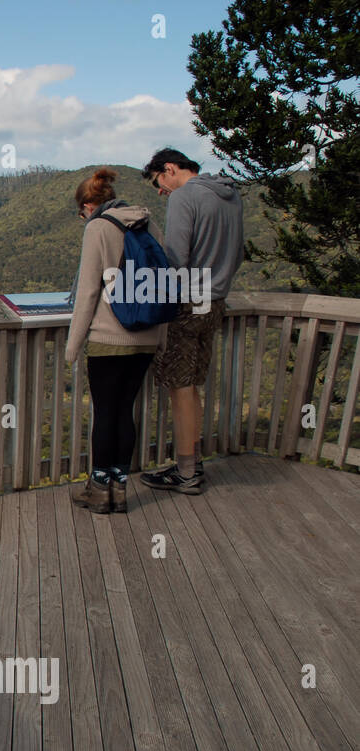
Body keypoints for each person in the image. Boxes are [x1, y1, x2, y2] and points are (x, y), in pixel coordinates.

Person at [138, 147, 244, 493]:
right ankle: (190, 464)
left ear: (170, 169)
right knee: (192, 386)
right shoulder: (230, 196)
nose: (160, 191)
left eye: (158, 182)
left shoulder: (184, 197)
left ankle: (187, 474)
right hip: (215, 301)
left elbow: (176, 258)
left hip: (187, 302)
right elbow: (237, 250)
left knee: (180, 388)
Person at [65, 167, 165, 514]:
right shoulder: (147, 223)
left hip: (109, 336)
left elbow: (90, 290)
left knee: (105, 413)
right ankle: (119, 491)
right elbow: (164, 282)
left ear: (89, 206)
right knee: (126, 411)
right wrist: (161, 337)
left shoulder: (98, 228)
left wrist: (73, 345)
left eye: (81, 213)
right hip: (146, 336)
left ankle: (98, 491)